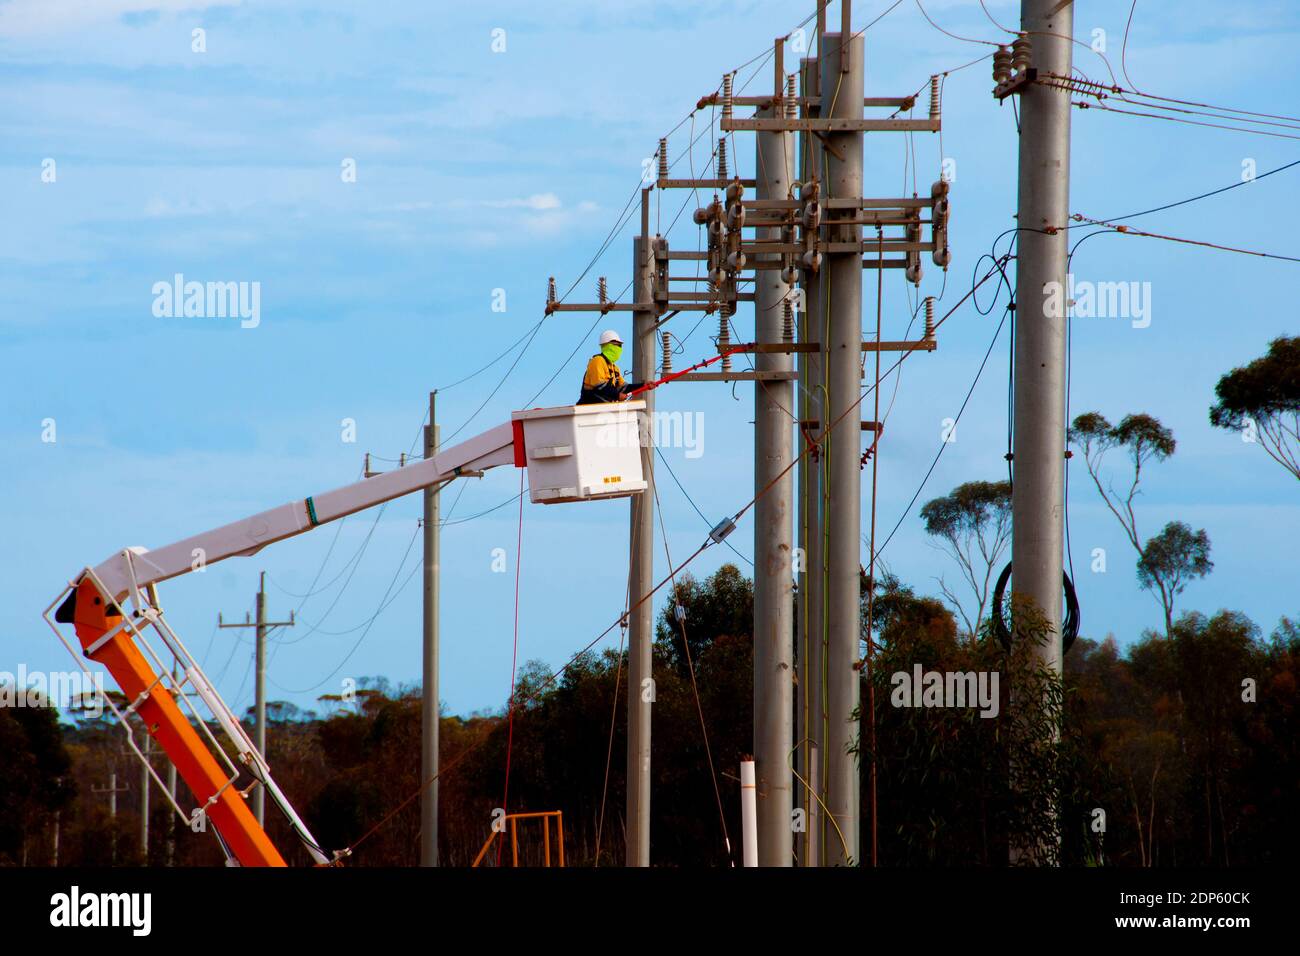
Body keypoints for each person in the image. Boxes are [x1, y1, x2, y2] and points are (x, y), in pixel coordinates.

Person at [576, 329, 638, 404]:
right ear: (607, 345)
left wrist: (643, 385)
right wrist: (617, 395)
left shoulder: (614, 368)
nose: (619, 349)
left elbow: (623, 388)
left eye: (620, 346)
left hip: (604, 408)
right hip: (589, 408)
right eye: (617, 345)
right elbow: (600, 387)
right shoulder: (597, 361)